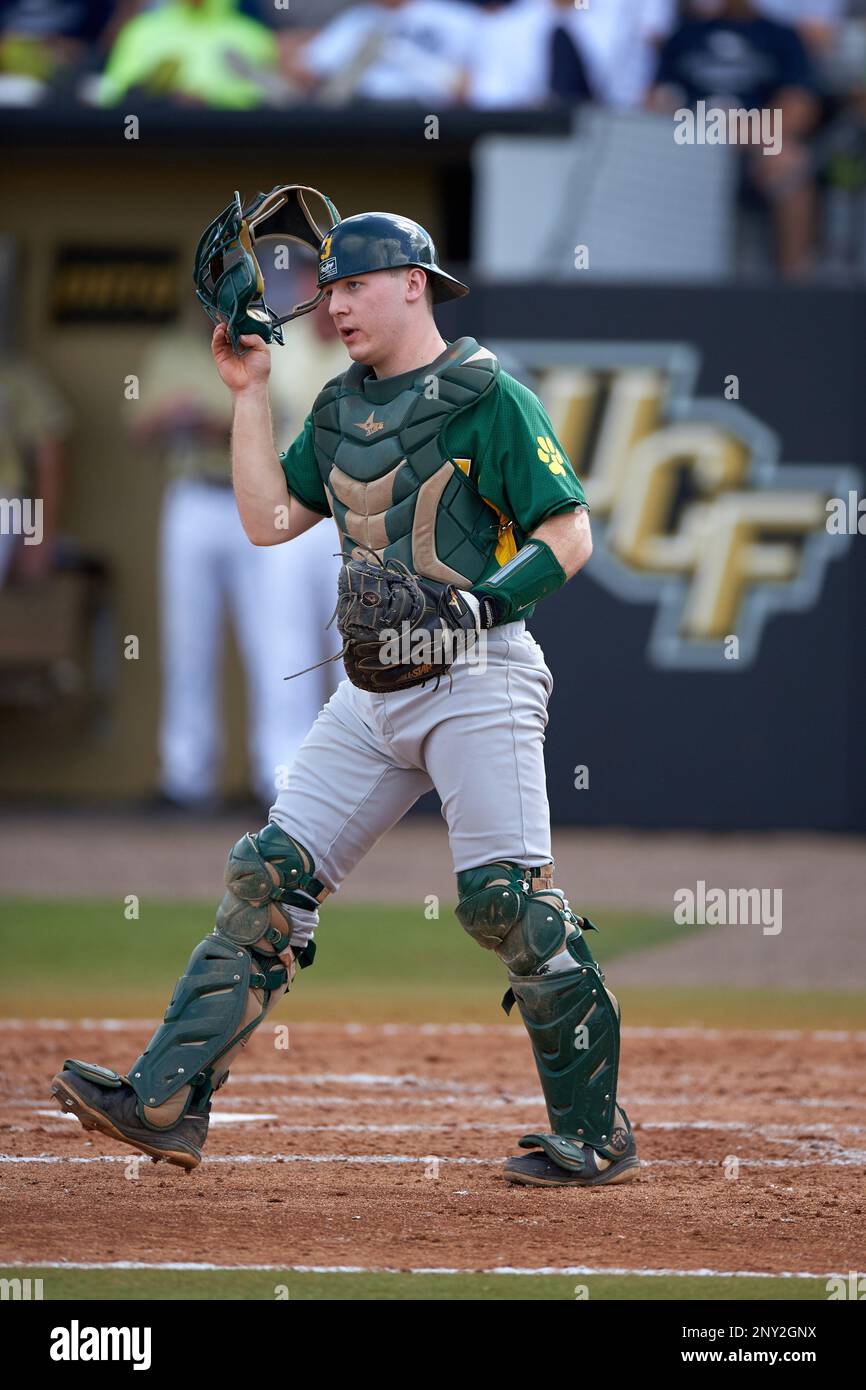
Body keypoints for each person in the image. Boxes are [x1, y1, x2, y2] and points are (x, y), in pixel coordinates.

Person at [51, 205, 638, 1189]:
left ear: (414, 282)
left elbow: (569, 532)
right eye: (327, 291)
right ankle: (165, 1098)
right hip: (372, 691)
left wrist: (480, 606)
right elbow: (268, 519)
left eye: (354, 285)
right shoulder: (330, 404)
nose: (336, 305)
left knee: (504, 904)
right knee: (266, 878)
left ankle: (596, 1133)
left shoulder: (487, 394)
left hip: (477, 675)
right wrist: (248, 391)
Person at [649, 0, 822, 276]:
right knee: (644, 164)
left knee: (790, 162)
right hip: (689, 141)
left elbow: (799, 107)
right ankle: (663, 284)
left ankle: (795, 286)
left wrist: (742, 130)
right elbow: (656, 101)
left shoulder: (781, 36)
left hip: (757, 144)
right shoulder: (684, 36)